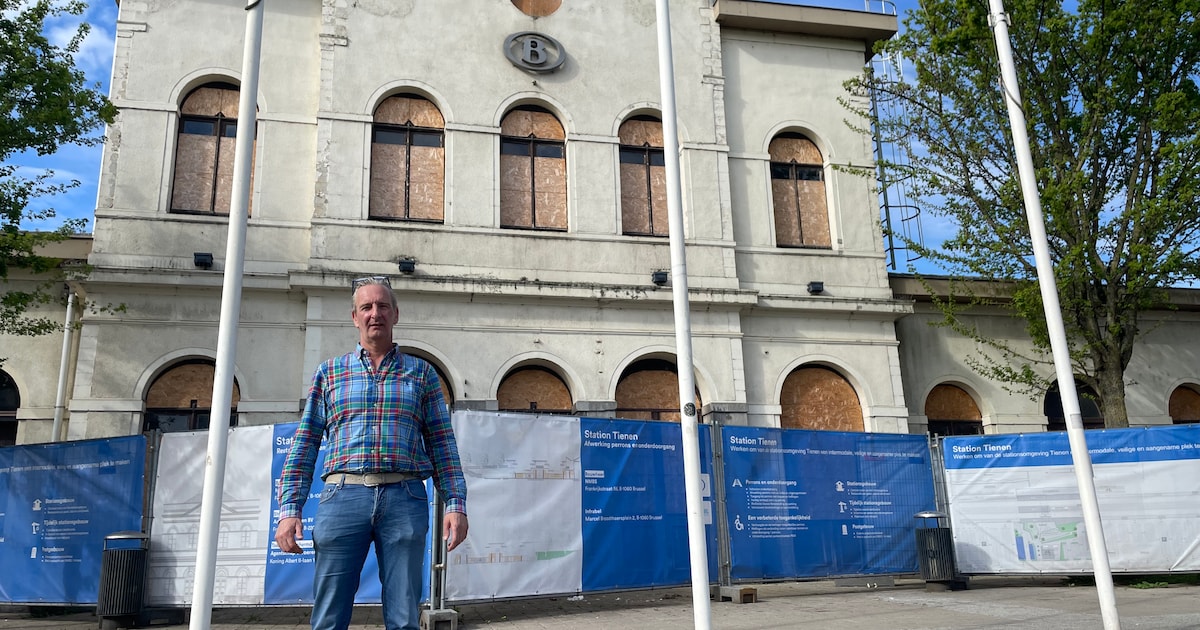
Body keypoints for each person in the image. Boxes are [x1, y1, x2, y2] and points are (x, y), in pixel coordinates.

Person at [274, 276, 468, 630]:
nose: (374, 313)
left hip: (404, 497)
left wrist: (455, 503)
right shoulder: (329, 374)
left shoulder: (421, 374)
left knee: (404, 613)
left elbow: (441, 443)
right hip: (341, 497)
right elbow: (305, 444)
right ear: (354, 317)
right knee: (329, 613)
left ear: (395, 314)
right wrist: (289, 510)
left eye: (382, 306)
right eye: (366, 307)